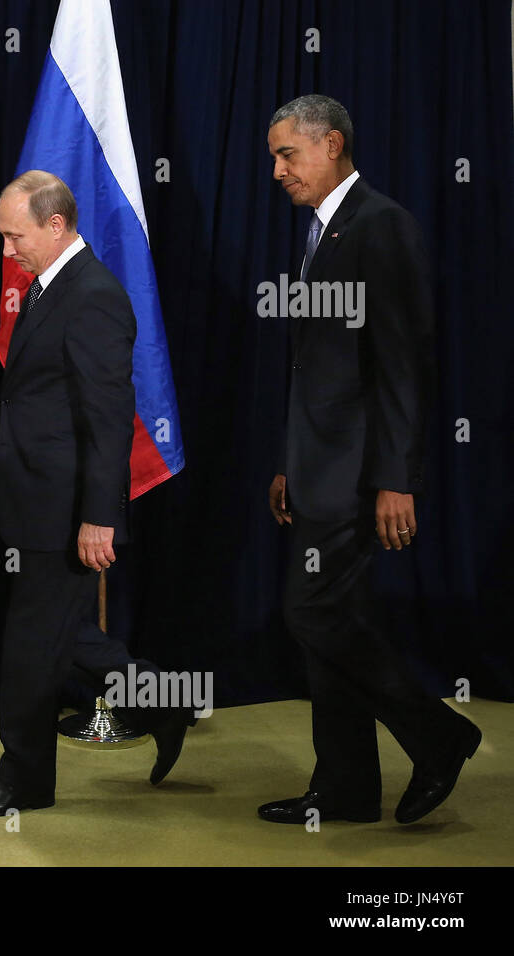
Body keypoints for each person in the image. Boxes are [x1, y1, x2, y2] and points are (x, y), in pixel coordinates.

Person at [260, 94, 481, 826]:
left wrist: (396, 479)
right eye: (273, 157)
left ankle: (439, 735)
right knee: (332, 625)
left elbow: (402, 366)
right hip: (321, 468)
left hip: (360, 473)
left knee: (310, 612)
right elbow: (319, 367)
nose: (278, 171)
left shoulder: (382, 226)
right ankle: (347, 790)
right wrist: (292, 460)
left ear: (333, 145)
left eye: (288, 154)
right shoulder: (322, 233)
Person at [0, 171, 194, 817]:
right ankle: (163, 702)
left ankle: (24, 782)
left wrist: (98, 519)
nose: (7, 251)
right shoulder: (47, 288)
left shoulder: (92, 296)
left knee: (32, 645)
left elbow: (110, 417)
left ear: (55, 225)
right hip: (34, 497)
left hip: (65, 509)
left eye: (15, 236)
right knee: (56, 635)